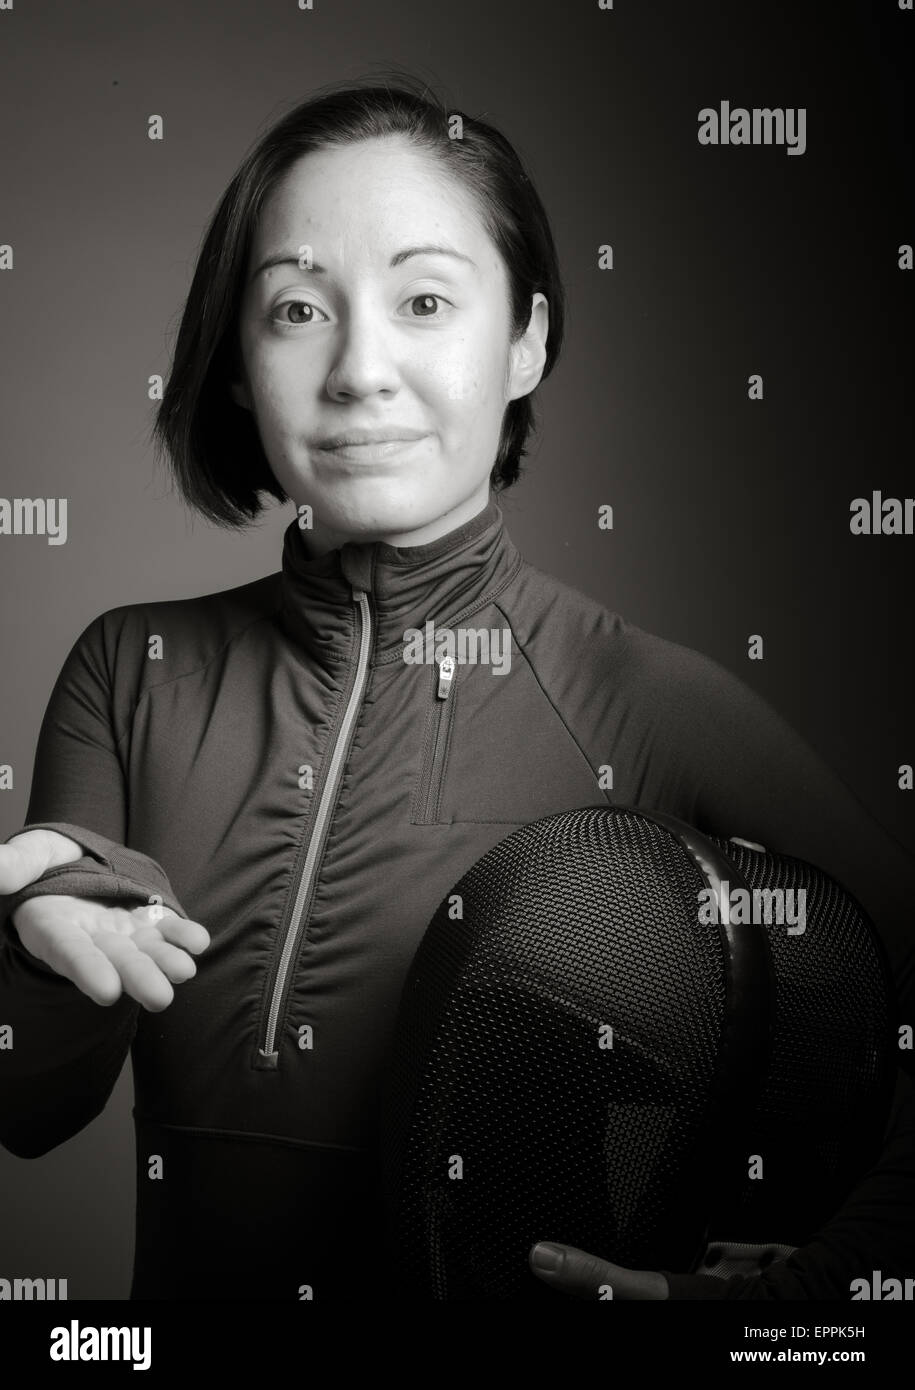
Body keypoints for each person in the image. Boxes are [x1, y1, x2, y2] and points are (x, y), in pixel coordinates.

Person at [0, 75, 913, 1303]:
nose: (360, 370)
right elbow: (32, 1109)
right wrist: (36, 947)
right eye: (296, 310)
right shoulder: (130, 669)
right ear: (233, 363)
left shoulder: (640, 700)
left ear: (527, 339)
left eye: (425, 299)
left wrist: (805, 1299)